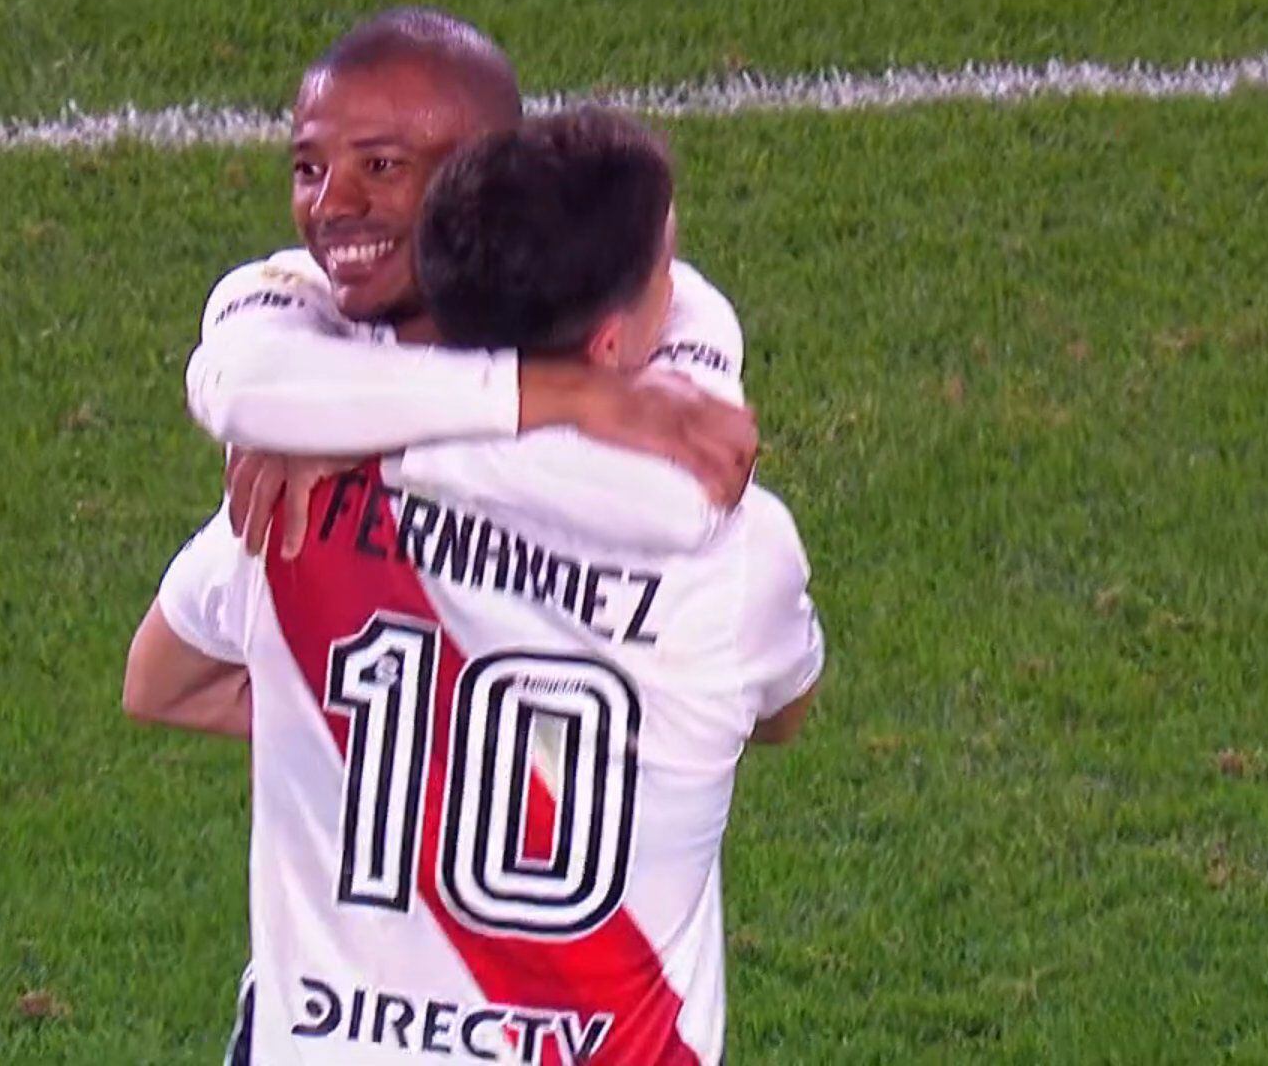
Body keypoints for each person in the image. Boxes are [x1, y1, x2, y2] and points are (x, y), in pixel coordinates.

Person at [125, 108, 824, 1065]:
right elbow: (780, 717)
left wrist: (387, 745)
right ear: (612, 344)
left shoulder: (303, 495)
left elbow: (157, 683)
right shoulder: (735, 552)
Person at [185, 8, 760, 578]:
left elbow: (679, 500)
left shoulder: (649, 294)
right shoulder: (288, 291)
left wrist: (354, 446)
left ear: (483, 170)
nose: (331, 205)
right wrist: (575, 398)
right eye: (308, 170)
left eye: (381, 166)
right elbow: (240, 390)